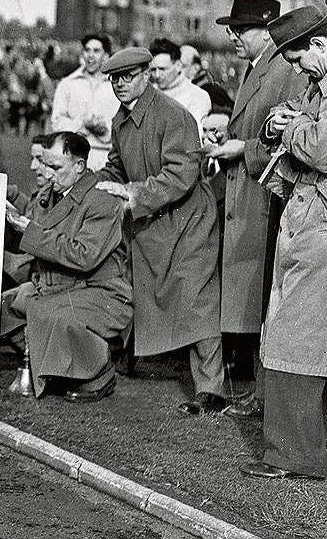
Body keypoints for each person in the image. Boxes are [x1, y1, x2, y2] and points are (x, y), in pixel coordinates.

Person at [94, 47, 226, 415]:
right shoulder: (120, 120)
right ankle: (136, 355)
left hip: (188, 219)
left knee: (195, 296)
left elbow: (181, 174)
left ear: (146, 74)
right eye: (113, 79)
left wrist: (134, 194)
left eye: (127, 76)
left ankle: (211, 388)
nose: (119, 84)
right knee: (146, 285)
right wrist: (90, 184)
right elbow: (116, 166)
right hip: (154, 218)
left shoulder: (174, 115)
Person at [241, 4, 327, 480]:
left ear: (317, 44)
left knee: (295, 339)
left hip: (322, 226)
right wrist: (289, 122)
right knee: (292, 334)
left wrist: (290, 126)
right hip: (306, 219)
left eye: (297, 59)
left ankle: (295, 456)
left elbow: (322, 149)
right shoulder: (320, 86)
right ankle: (296, 449)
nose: (295, 70)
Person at [203, 0, 308, 419]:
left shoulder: (284, 69)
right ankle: (257, 391)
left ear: (266, 30)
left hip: (269, 200)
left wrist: (240, 147)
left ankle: (262, 395)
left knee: (268, 297)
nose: (231, 35)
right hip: (249, 195)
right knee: (259, 298)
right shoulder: (257, 67)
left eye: (239, 28)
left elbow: (285, 139)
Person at [1, 132, 132, 402]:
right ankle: (62, 365)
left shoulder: (102, 199)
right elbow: (29, 240)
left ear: (80, 167)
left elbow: (84, 256)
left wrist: (30, 230)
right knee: (3, 306)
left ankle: (98, 368)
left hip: (101, 292)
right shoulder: (48, 194)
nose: (47, 174)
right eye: (45, 164)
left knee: (49, 314)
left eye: (55, 167)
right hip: (56, 287)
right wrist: (5, 220)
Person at [50, 33, 119, 170]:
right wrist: (82, 126)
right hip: (74, 158)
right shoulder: (68, 84)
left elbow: (124, 124)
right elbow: (56, 121)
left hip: (108, 158)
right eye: (87, 50)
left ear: (106, 55)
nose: (90, 55)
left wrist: (104, 129)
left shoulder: (116, 85)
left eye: (96, 51)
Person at [149, 38, 211, 129]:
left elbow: (193, 135)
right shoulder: (148, 93)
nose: (157, 75)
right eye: (153, 70)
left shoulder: (197, 96)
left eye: (162, 69)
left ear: (178, 66)